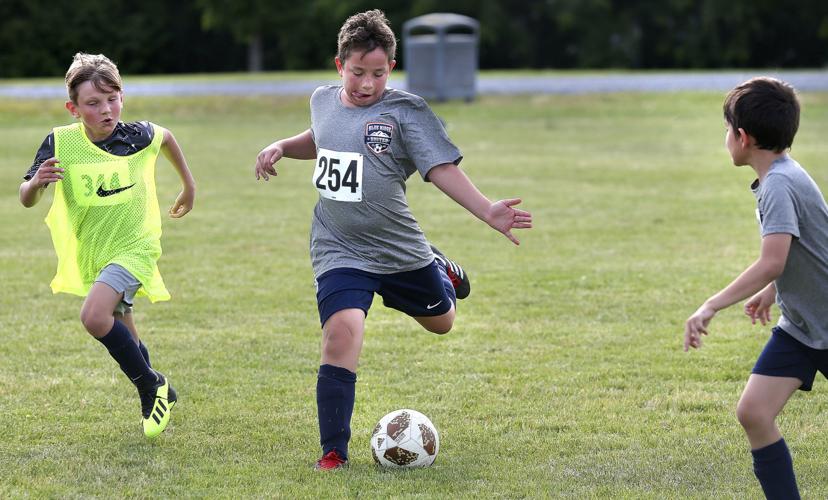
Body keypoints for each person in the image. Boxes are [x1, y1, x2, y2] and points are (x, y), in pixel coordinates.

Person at [254, 9, 532, 470]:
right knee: (342, 333)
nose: (367, 84)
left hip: (398, 248)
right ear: (339, 66)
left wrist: (487, 210)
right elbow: (320, 138)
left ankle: (442, 270)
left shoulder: (404, 113)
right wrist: (282, 145)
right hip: (338, 246)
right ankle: (333, 452)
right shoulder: (322, 100)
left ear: (392, 70)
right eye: (358, 73)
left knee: (443, 323)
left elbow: (440, 168)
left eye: (378, 74)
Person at [19, 53, 196, 438]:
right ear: (73, 108)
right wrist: (35, 184)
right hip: (95, 252)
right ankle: (158, 384)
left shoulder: (137, 135)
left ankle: (152, 387)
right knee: (127, 337)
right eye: (93, 103)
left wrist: (188, 185)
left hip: (135, 247)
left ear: (122, 96)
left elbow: (167, 137)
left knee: (94, 317)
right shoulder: (60, 142)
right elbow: (25, 197)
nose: (106, 109)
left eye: (113, 99)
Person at [683, 77, 828, 499]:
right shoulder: (782, 173)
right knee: (754, 412)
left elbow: (773, 260)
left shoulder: (780, 183)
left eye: (727, 129)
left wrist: (710, 305)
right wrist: (773, 290)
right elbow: (803, 248)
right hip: (803, 327)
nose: (725, 137)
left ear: (743, 137)